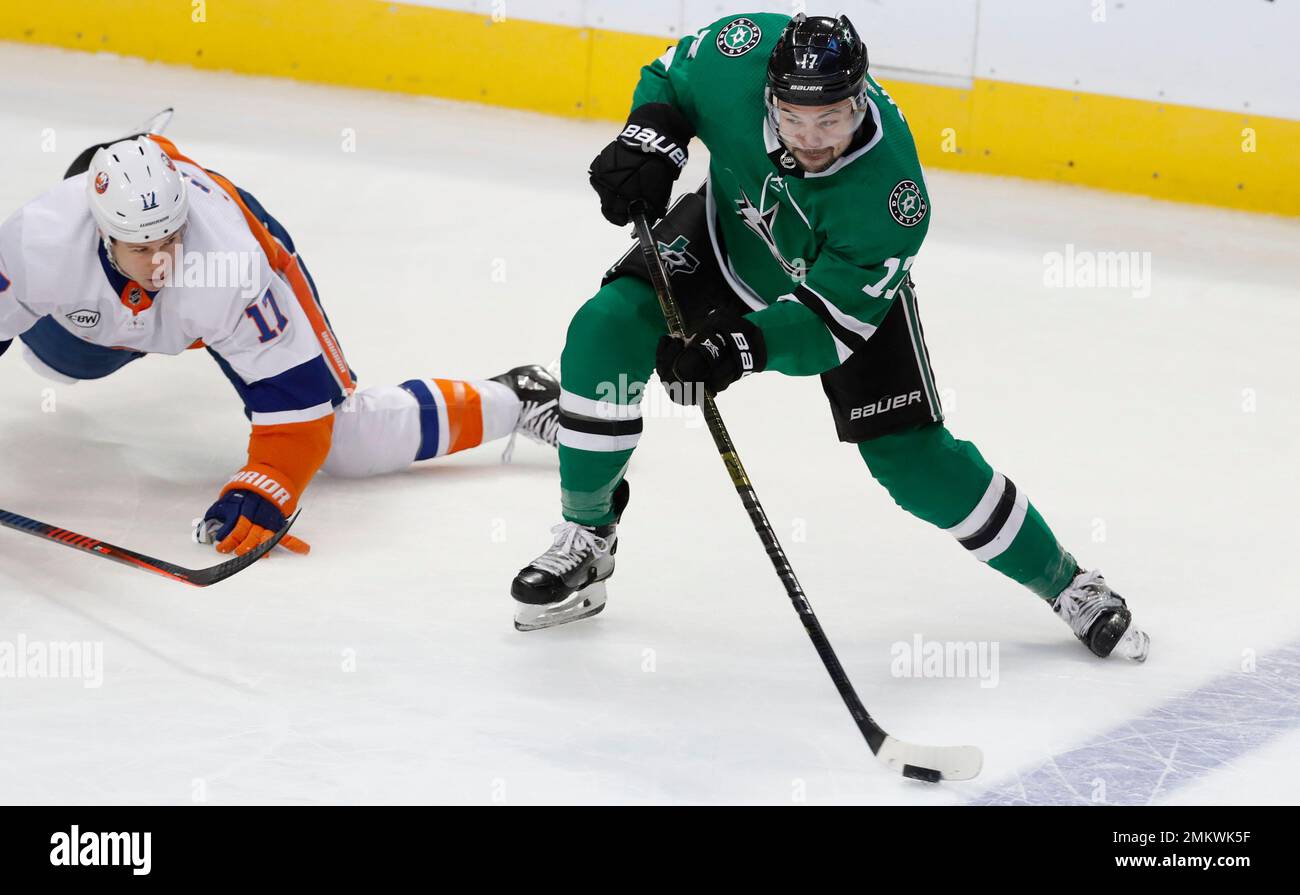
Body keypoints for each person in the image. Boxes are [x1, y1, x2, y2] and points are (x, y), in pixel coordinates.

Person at [508, 12, 1149, 663]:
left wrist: (735, 347)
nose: (813, 139)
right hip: (730, 233)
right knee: (605, 327)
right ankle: (588, 534)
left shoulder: (892, 198)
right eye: (794, 120)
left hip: (834, 293)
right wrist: (651, 138)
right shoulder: (738, 52)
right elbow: (669, 77)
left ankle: (1068, 583)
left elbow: (829, 323)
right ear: (768, 96)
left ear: (861, 98)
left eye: (832, 120)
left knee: (911, 462)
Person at [0, 132, 560, 557]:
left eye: (171, 238)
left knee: (346, 442)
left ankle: (517, 397)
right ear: (102, 233)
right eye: (142, 247)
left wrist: (272, 479)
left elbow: (298, 412)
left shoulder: (233, 267)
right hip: (108, 300)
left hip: (218, 299)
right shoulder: (35, 243)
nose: (162, 261)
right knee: (59, 363)